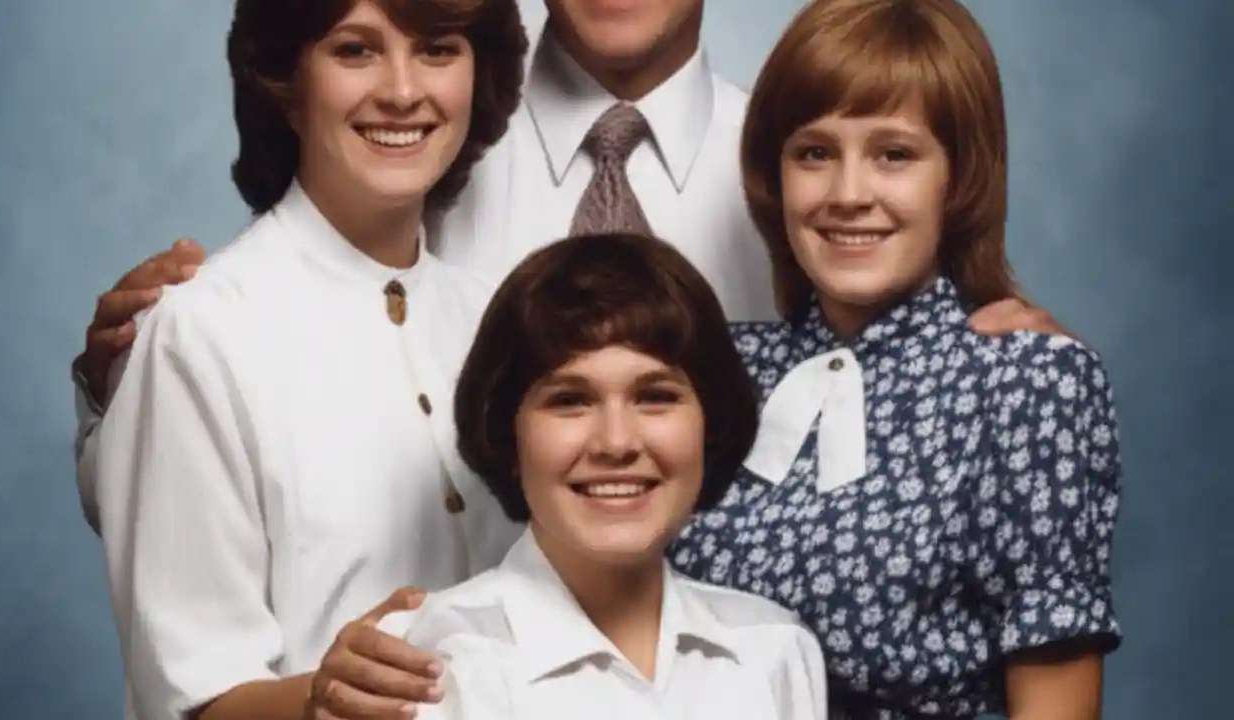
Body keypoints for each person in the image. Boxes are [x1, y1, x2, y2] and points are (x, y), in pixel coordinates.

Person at [70, 1, 1064, 528]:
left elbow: (901, 459)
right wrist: (129, 386)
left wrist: (989, 354)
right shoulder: (420, 136)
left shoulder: (802, 178)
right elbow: (261, 423)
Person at [670, 0, 1122, 717]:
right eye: (815, 152)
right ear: (774, 176)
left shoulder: (1028, 382)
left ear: (960, 178)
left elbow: (1055, 699)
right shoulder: (719, 369)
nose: (850, 195)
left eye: (894, 154)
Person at [91, 1, 527, 718]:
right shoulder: (199, 332)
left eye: (438, 50)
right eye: (355, 51)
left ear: (480, 78)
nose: (402, 89)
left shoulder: (504, 321)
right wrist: (322, 695)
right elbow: (192, 697)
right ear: (282, 82)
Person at [379, 231, 827, 719]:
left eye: (656, 396)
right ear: (508, 435)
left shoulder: (774, 649)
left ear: (709, 424)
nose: (617, 442)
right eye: (570, 400)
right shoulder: (425, 662)